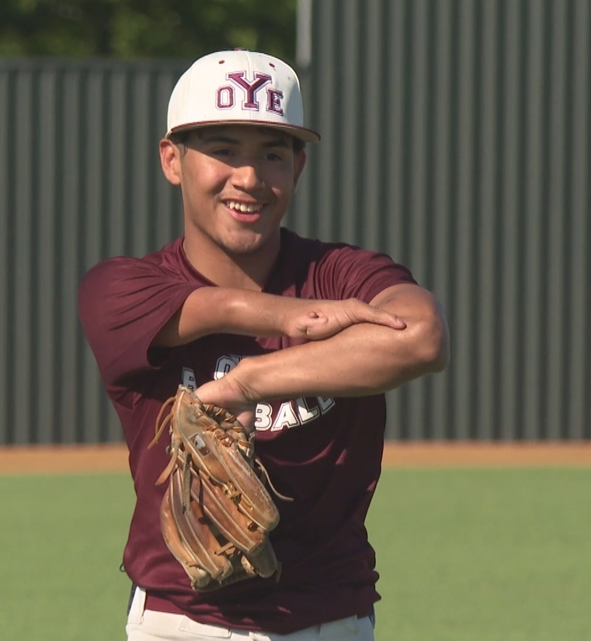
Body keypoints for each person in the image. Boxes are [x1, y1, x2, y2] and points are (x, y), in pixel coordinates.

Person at [78, 49, 450, 641]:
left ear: (297, 169)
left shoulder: (342, 272)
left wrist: (249, 382)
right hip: (179, 619)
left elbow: (423, 338)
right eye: (223, 151)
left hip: (328, 616)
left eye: (272, 154)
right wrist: (299, 319)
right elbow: (208, 307)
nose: (249, 178)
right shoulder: (121, 289)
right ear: (172, 161)